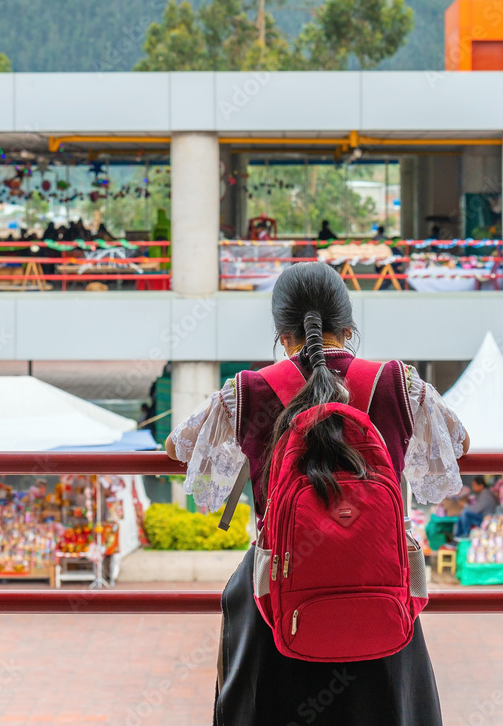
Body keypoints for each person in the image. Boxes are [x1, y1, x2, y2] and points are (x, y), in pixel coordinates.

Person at [166, 261, 469, 725]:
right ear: (348, 328)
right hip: (379, 591)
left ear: (281, 334)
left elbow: (178, 447)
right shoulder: (396, 383)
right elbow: (460, 443)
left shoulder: (247, 391)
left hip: (279, 603)